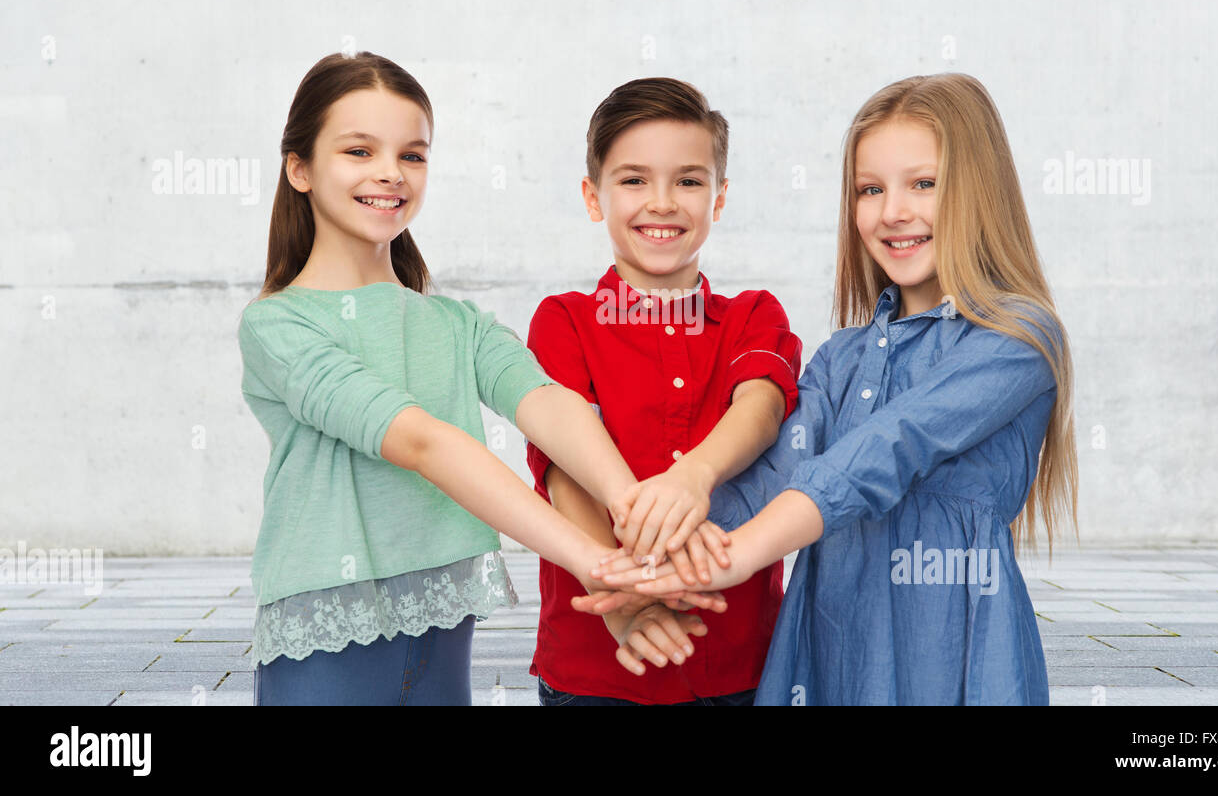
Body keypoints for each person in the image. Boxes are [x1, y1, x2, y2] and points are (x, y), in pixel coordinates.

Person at [238, 52, 723, 705]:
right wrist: (597, 562)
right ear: (299, 168)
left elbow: (548, 403)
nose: (391, 173)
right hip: (327, 644)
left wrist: (628, 506)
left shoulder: (456, 323)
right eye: (359, 151)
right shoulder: (278, 326)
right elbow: (423, 445)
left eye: (413, 155)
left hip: (441, 627)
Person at [584, 72, 1079, 705]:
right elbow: (773, 473)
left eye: (923, 184)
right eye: (869, 189)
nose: (893, 210)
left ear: (981, 193)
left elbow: (884, 450)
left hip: (949, 647)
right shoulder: (840, 357)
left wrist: (731, 559)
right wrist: (657, 557)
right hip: (832, 644)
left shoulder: (1017, 338)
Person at [525, 77, 803, 705]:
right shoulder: (563, 320)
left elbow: (760, 404)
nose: (663, 202)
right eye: (633, 180)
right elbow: (563, 468)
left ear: (719, 197)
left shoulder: (753, 315)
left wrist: (693, 477)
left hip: (738, 658)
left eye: (688, 180)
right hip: (595, 660)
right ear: (593, 197)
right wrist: (619, 599)